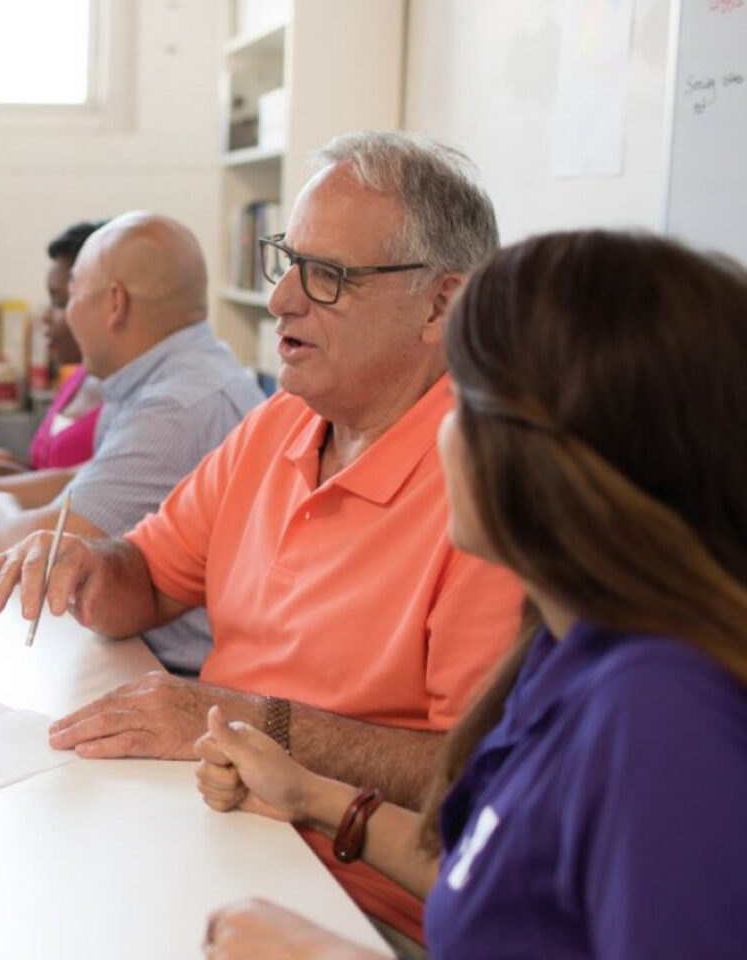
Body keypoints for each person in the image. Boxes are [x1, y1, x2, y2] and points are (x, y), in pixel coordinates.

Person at [0, 132, 524, 947]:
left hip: (351, 896)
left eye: (327, 276)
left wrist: (234, 716)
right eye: (286, 261)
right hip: (215, 815)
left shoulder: (487, 485)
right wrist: (85, 567)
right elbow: (145, 582)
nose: (284, 299)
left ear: (441, 304)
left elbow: (469, 773)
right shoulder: (280, 422)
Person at [195, 231, 747, 960]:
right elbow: (492, 869)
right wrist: (312, 796)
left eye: (466, 399)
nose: (444, 431)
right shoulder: (564, 641)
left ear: (557, 455)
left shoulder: (660, 715)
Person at [0, 213, 263, 673]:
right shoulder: (178, 373)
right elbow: (85, 479)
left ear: (114, 303)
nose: (61, 314)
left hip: (167, 668)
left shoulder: (173, 408)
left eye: (72, 295)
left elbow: (49, 545)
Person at [0, 219, 107, 476]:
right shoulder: (78, 376)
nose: (45, 318)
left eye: (60, 302)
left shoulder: (133, 400)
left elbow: (80, 492)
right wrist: (6, 468)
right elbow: (49, 477)